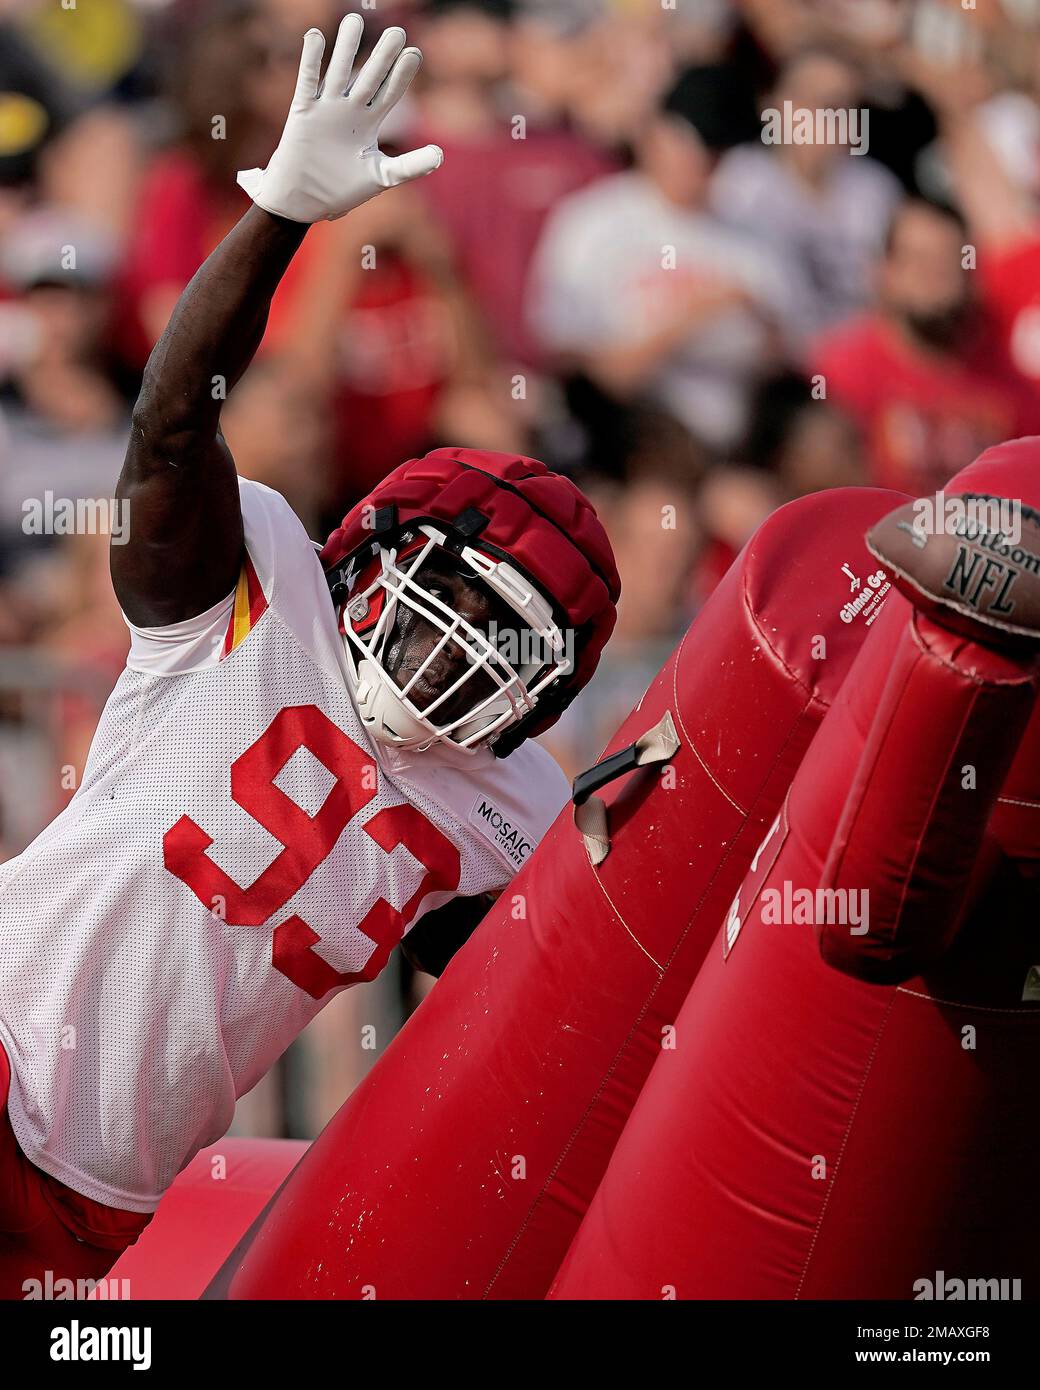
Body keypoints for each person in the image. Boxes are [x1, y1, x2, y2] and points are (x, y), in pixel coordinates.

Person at [0, 16, 619, 1296]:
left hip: (101, 1198)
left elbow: (563, 998)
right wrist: (279, 215)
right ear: (373, 550)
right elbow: (170, 432)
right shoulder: (259, 586)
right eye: (453, 591)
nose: (461, 647)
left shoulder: (510, 804)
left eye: (507, 635)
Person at [811, 196, 1040, 495]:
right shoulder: (836, 376)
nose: (933, 277)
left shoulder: (1011, 386)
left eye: (946, 261)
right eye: (917, 260)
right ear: (884, 271)